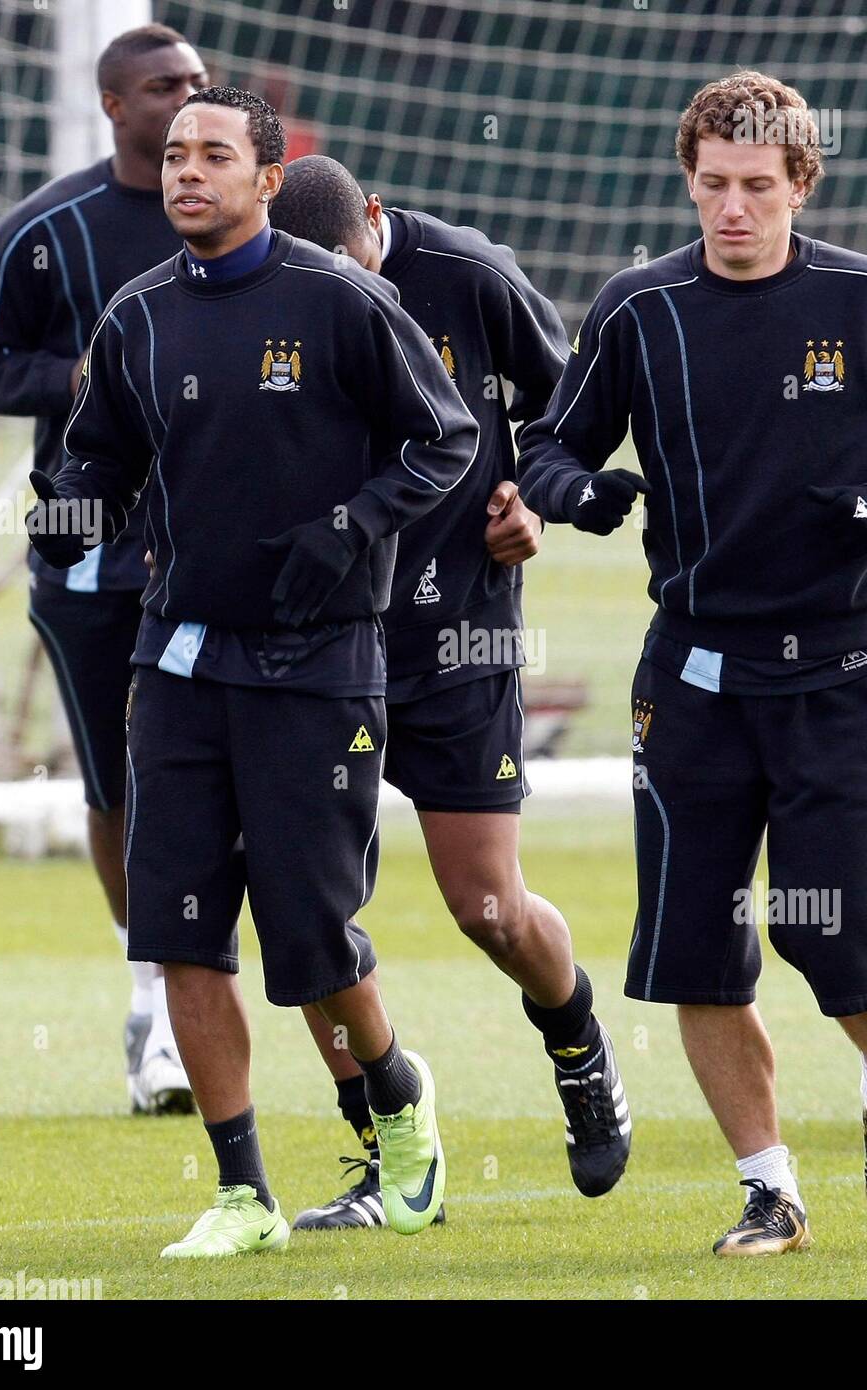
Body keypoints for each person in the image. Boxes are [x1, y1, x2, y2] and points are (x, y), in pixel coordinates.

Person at [519, 69, 867, 1255]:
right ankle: (769, 1188)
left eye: (755, 186)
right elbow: (547, 448)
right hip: (690, 677)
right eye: (711, 185)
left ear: (800, 182)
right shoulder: (638, 311)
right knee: (696, 945)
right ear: (687, 181)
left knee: (829, 926)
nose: (731, 208)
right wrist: (581, 495)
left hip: (844, 672)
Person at [28, 88, 479, 1255]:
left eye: (215, 155)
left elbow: (447, 437)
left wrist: (350, 528)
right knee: (178, 933)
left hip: (320, 666)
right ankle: (243, 1195)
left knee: (312, 946)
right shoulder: (134, 318)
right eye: (175, 154)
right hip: (175, 661)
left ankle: (395, 1091)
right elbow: (98, 463)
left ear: (270, 179)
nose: (188, 172)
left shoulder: (343, 302)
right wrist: (65, 517)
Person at [269, 157, 632, 1229]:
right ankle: (388, 1141)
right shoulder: (265, 290)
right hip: (322, 640)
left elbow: (569, 408)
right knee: (307, 918)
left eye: (349, 267)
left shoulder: (469, 274)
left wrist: (537, 500)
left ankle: (577, 1042)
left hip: (458, 627)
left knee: (484, 905)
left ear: (375, 223)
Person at [0, 23, 210, 1114]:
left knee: (210, 786)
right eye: (165, 86)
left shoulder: (247, 214)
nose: (188, 99)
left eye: (199, 83)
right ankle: (150, 993)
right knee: (118, 782)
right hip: (91, 553)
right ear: (115, 105)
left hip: (221, 553)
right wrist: (82, 375)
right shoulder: (44, 230)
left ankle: (206, 991)